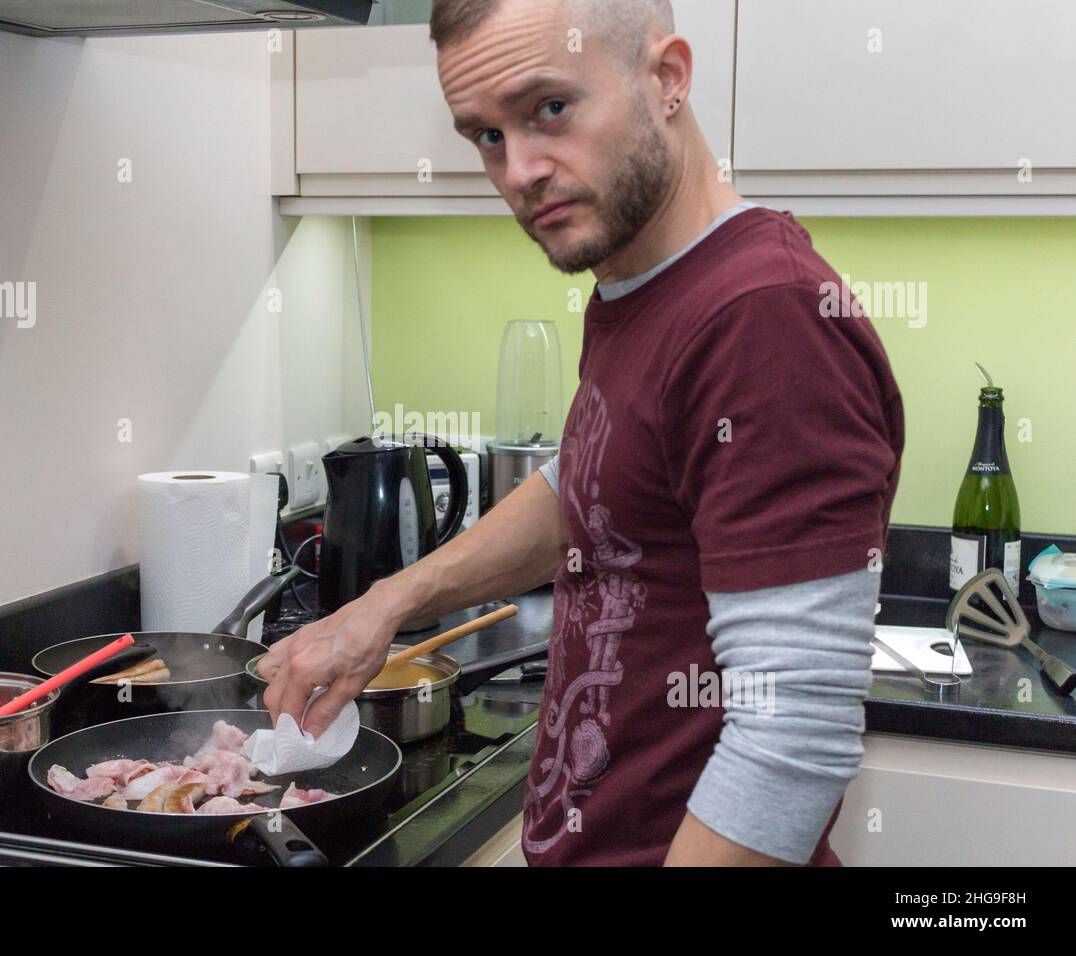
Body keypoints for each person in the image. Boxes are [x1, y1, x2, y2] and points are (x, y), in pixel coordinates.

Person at [258, 0, 904, 866]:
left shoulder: (764, 317)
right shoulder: (640, 284)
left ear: (667, 79)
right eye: (486, 136)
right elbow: (589, 485)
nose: (519, 170)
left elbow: (794, 737)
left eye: (549, 110)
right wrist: (384, 606)